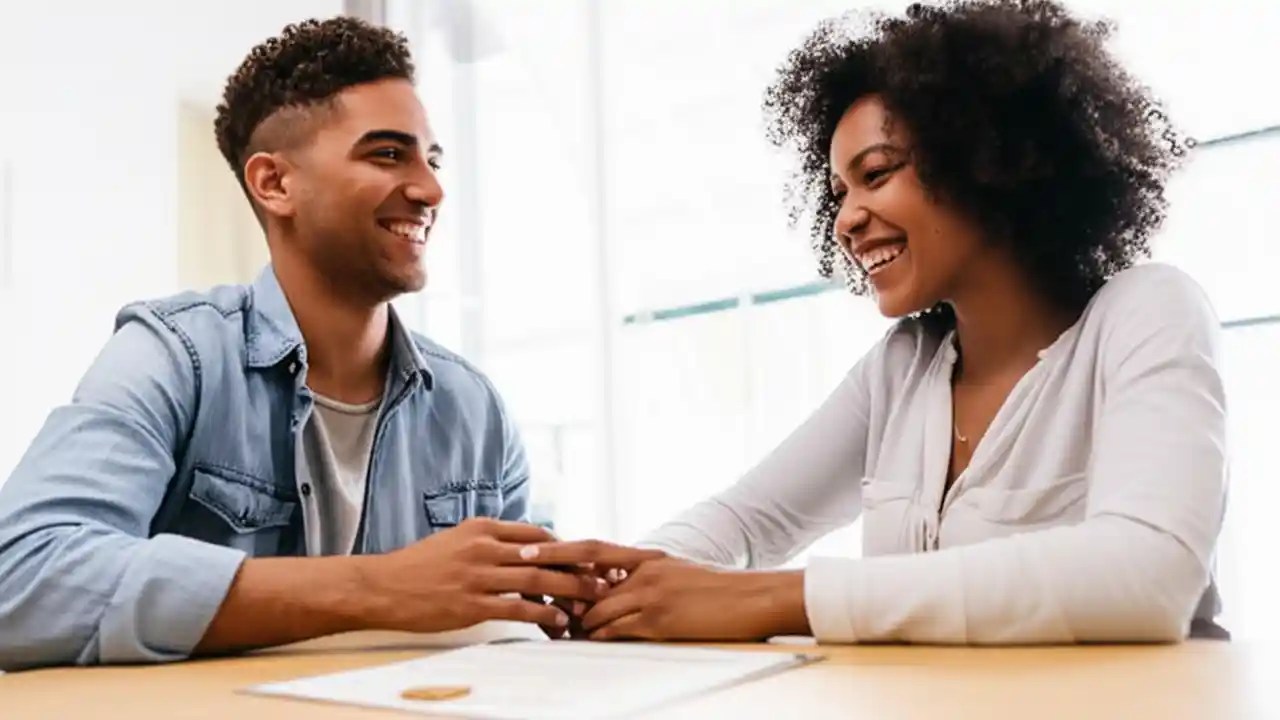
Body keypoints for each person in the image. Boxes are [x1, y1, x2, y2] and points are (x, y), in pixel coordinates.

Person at [0, 17, 658, 670]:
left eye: (432, 159)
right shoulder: (174, 356)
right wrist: (381, 587)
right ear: (275, 184)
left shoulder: (474, 409)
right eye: (388, 154)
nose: (431, 189)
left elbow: (516, 635)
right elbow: (21, 580)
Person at [579, 0, 1227, 644]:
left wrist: (784, 598)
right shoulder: (903, 368)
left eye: (876, 174)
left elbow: (1150, 573)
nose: (846, 220)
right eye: (839, 194)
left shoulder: (1146, 314)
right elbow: (747, 523)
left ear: (986, 159)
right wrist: (604, 587)